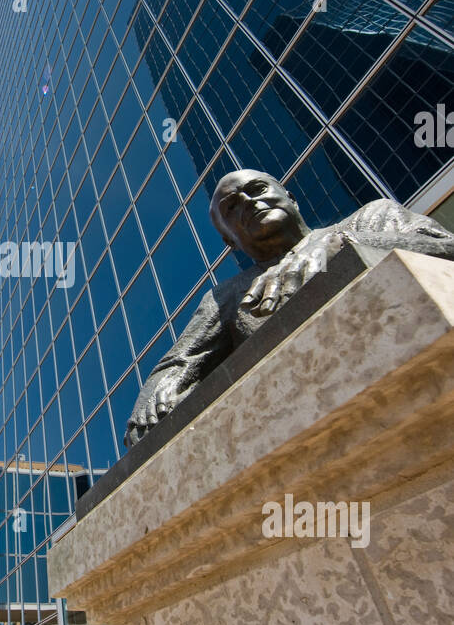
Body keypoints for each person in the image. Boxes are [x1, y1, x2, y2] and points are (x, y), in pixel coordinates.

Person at [125, 169, 454, 446]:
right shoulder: (227, 296)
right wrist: (157, 393)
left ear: (290, 197)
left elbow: (446, 251)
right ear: (230, 241)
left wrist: (344, 247)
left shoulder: (371, 219)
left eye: (257, 189)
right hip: (303, 426)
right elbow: (180, 362)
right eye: (233, 208)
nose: (250, 202)